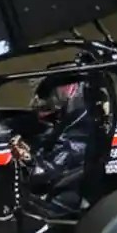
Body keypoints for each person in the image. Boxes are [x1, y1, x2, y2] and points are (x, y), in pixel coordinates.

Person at [10, 74, 99, 216]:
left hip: (60, 207)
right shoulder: (71, 128)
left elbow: (44, 173)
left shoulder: (77, 137)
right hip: (58, 190)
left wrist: (27, 159)